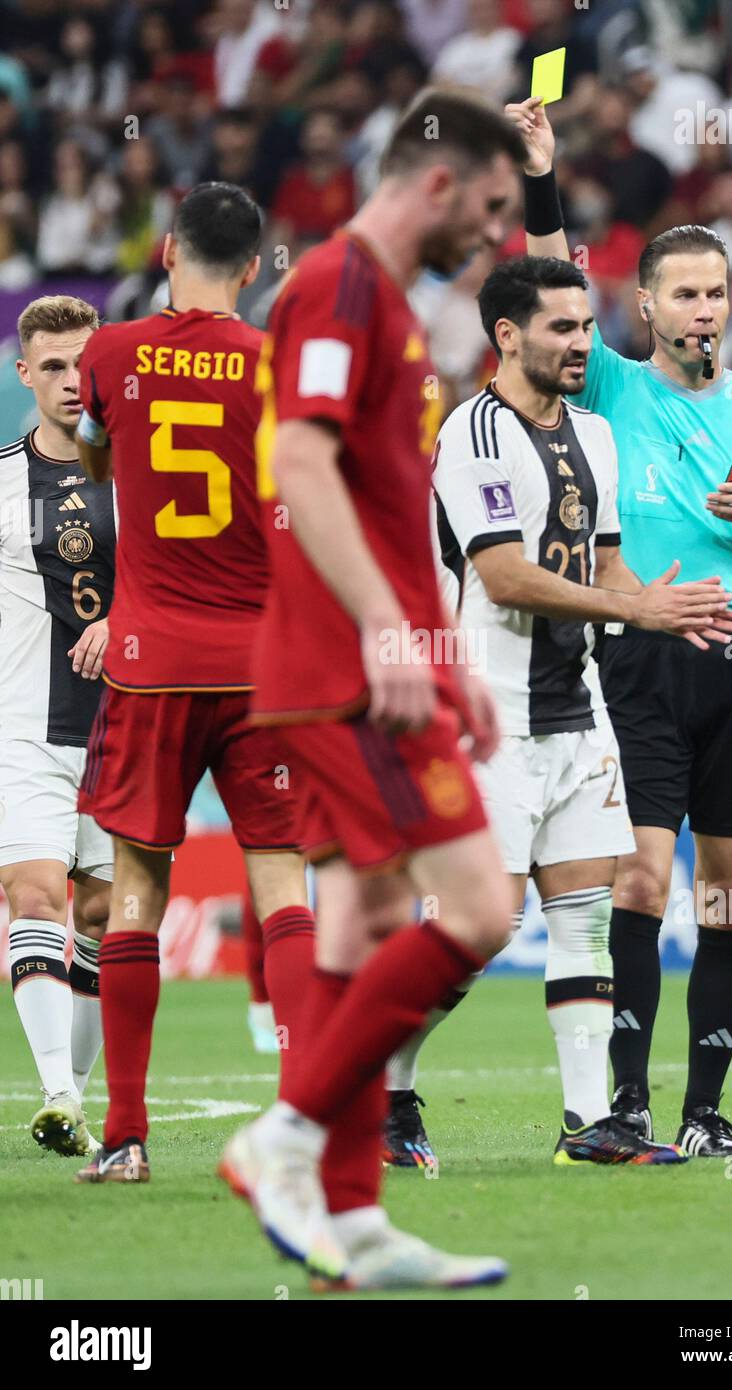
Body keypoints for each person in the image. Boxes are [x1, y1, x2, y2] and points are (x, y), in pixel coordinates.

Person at [219, 88, 525, 1292]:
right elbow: (298, 456)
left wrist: (445, 659)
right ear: (439, 180)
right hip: (350, 671)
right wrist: (398, 639)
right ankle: (285, 1135)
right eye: (493, 207)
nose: (495, 235)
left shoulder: (378, 301)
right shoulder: (341, 285)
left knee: (358, 926)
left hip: (372, 662)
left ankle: (351, 1223)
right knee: (480, 911)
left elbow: (388, 508)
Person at [509, 95, 732, 1157]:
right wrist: (539, 172)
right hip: (639, 655)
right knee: (642, 878)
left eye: (715, 293)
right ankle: (629, 1103)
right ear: (644, 307)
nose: (703, 310)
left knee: (731, 891)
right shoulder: (608, 384)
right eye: (683, 295)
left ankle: (703, 1109)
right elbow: (548, 271)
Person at [396, 252, 732, 1168]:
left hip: (576, 709)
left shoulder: (593, 434)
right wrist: (633, 610)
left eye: (587, 326)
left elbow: (608, 565)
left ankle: (589, 1124)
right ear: (507, 336)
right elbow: (504, 576)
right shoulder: (472, 434)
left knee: (585, 915)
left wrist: (668, 607)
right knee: (477, 928)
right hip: (485, 709)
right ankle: (381, 1089)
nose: (582, 342)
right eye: (561, 327)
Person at [72, 182, 313, 1183]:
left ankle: (124, 1137)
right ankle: (305, 1127)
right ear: (255, 268)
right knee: (283, 891)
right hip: (265, 665)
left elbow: (94, 454)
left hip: (152, 663)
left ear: (167, 248)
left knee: (136, 888)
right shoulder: (277, 366)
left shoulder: (111, 352)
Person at [0, 294, 114, 1158]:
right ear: (24, 374)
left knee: (111, 917)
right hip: (26, 729)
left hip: (128, 729)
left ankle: (75, 1094)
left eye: (84, 363)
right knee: (35, 894)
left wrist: (131, 614)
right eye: (53, 368)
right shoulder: (1, 480)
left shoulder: (147, 474)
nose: (73, 382)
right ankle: (62, 1096)